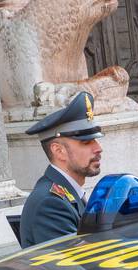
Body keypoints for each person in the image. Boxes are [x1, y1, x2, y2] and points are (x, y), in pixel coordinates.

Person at [18, 90, 104, 248]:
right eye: (86, 142)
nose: (98, 148)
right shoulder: (50, 204)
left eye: (96, 141)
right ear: (58, 151)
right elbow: (81, 267)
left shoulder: (68, 194)